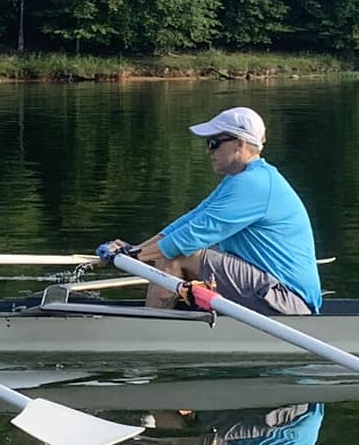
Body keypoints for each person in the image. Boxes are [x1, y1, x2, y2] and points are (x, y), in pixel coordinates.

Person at [103, 105, 320, 315]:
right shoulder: (238, 180)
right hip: (270, 290)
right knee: (171, 251)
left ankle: (150, 331)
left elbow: (192, 236)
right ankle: (160, 319)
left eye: (214, 143)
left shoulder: (254, 184)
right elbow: (190, 221)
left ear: (240, 143)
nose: (208, 150)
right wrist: (135, 250)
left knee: (175, 256)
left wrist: (135, 257)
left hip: (287, 299)